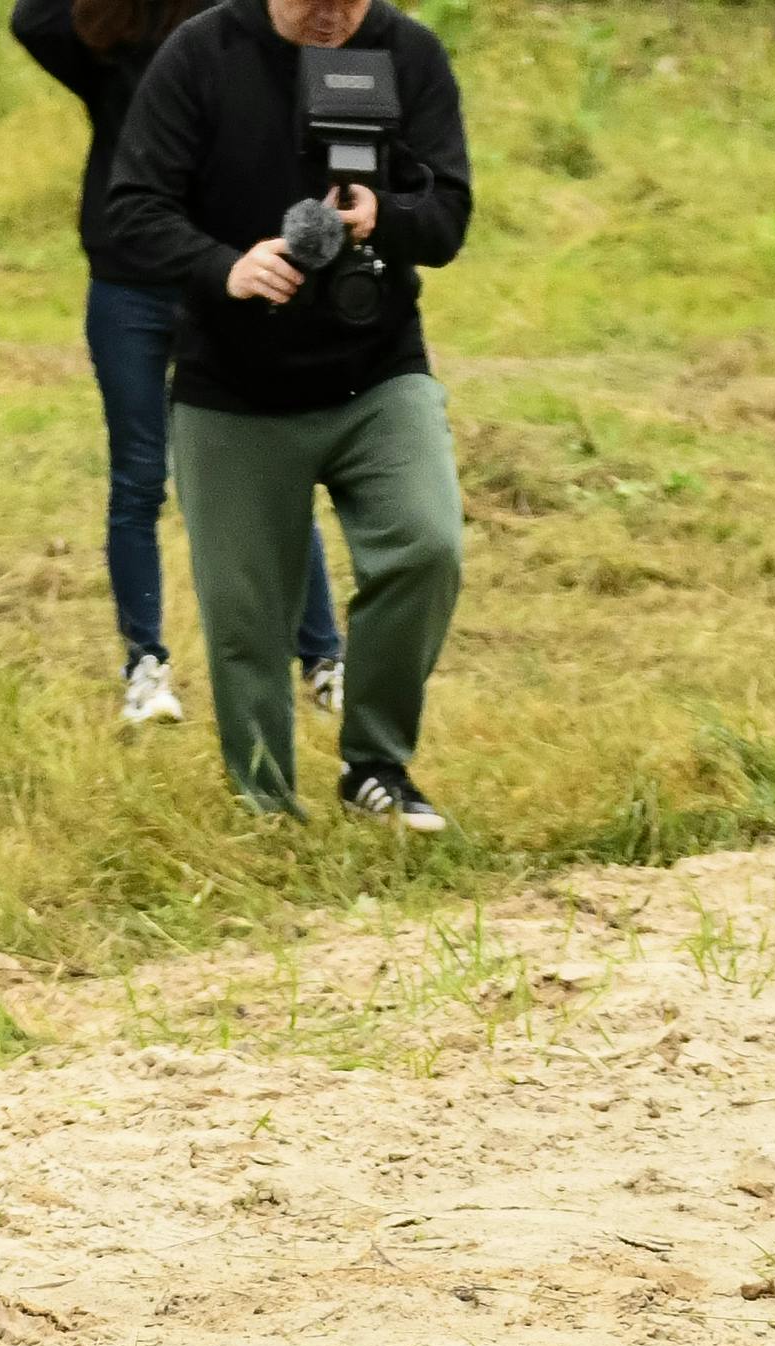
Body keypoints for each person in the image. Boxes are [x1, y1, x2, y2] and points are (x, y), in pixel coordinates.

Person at [84, 0, 470, 829]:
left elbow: (448, 217)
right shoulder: (198, 54)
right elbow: (134, 210)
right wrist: (224, 266)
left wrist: (384, 217)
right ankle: (265, 807)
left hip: (378, 373)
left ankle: (375, 765)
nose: (332, 14)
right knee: (245, 619)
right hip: (236, 385)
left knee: (427, 546)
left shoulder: (410, 52)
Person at [13, 0, 344, 736]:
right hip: (128, 282)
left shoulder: (246, 38)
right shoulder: (109, 33)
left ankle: (322, 658)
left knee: (268, 463)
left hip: (223, 277)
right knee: (138, 476)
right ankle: (146, 667)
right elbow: (32, 19)